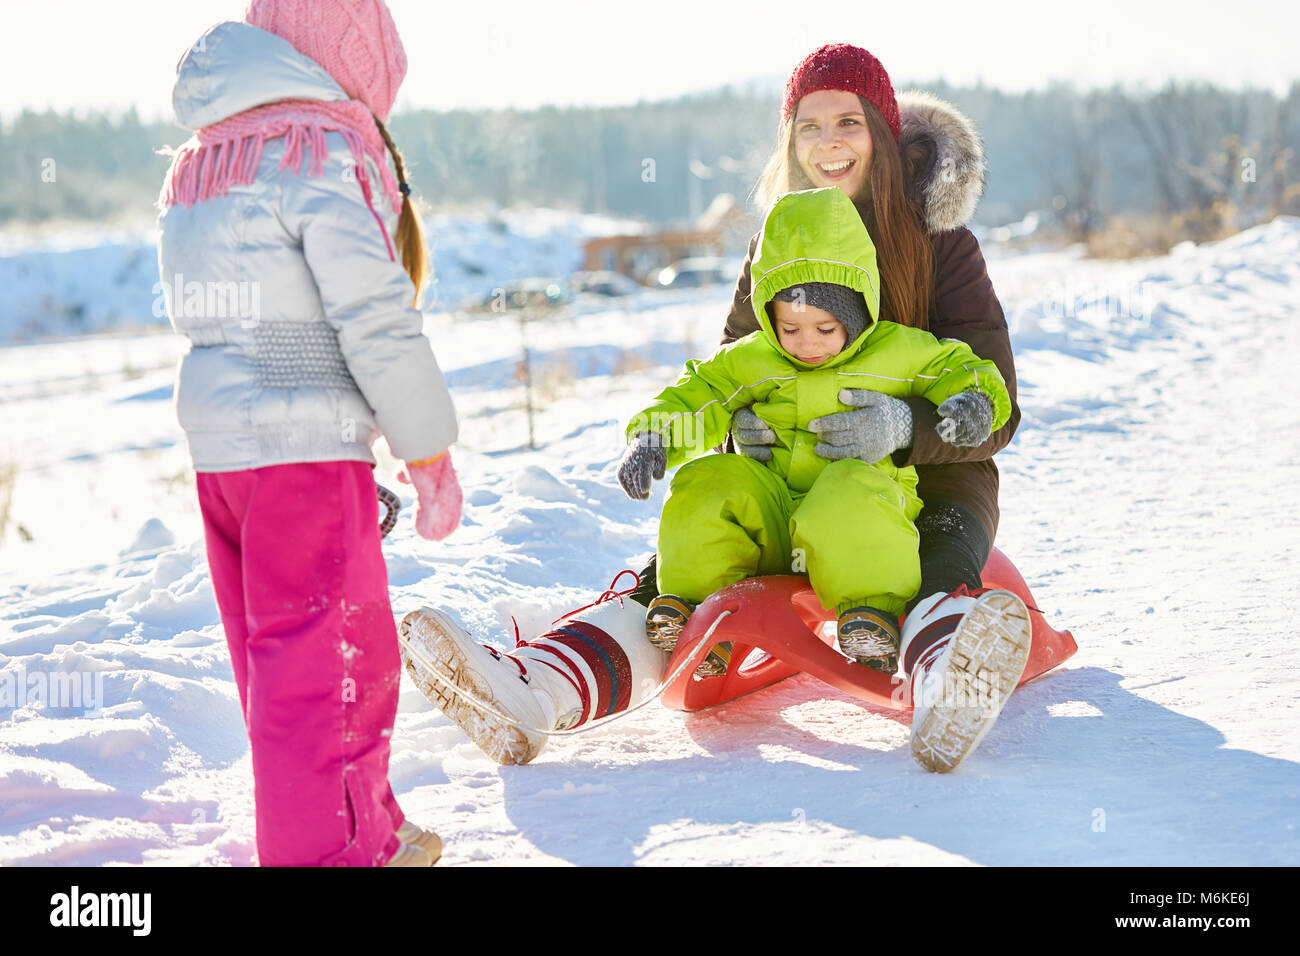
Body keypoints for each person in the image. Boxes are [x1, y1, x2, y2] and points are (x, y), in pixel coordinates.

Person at [402, 43, 1030, 774]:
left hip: (932, 481)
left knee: (936, 559)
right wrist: (736, 428)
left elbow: (997, 406)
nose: (828, 143)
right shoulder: (777, 245)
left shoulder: (941, 245)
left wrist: (904, 428)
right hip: (784, 474)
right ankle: (538, 688)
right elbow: (727, 373)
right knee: (674, 576)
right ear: (788, 142)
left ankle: (946, 679)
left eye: (848, 123)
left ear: (884, 134)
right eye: (808, 125)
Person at [158, 0, 461, 865]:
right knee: (332, 673)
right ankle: (326, 856)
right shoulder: (320, 150)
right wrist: (426, 445)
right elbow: (371, 312)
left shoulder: (205, 159)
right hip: (303, 454)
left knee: (287, 675)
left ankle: (367, 828)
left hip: (224, 455)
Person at [616, 186, 1011, 683]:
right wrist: (654, 436)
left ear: (859, 311)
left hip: (855, 520)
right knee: (707, 480)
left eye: (826, 329)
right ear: (767, 317)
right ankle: (699, 615)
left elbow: (960, 367)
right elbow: (700, 392)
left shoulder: (899, 352)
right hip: (774, 516)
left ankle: (872, 615)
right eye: (790, 329)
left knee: (850, 488)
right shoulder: (752, 358)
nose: (807, 345)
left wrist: (973, 402)